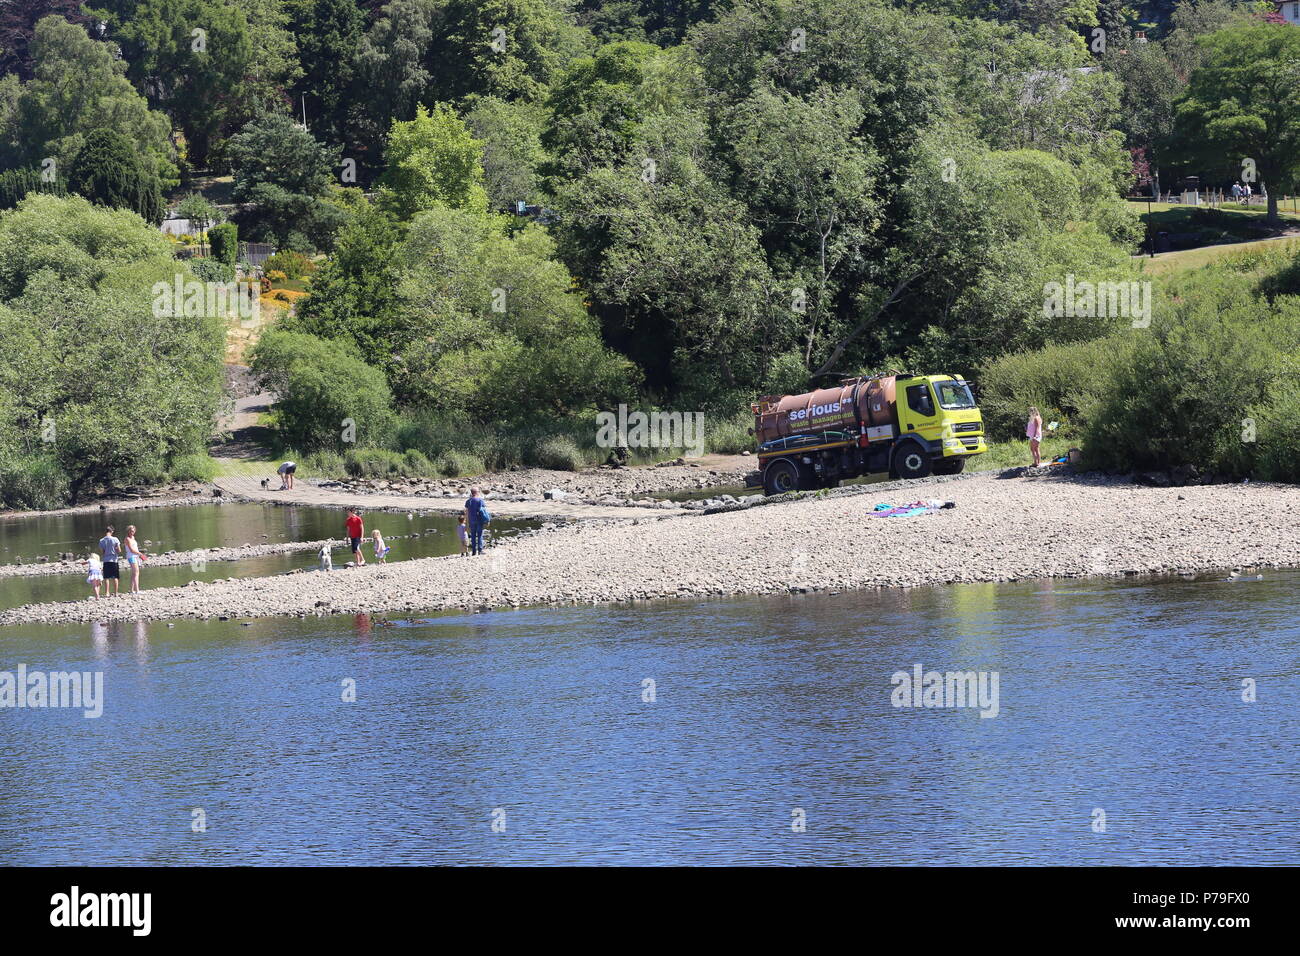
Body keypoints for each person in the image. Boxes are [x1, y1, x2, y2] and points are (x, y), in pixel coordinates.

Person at [464, 487, 491, 556]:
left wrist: (466, 522)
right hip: (479, 520)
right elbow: (484, 511)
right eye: (478, 491)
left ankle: (473, 551)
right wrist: (487, 520)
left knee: (473, 536)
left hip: (471, 521)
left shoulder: (468, 501)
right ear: (476, 492)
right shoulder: (480, 500)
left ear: (471, 493)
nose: (479, 492)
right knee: (479, 535)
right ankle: (480, 550)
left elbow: (466, 512)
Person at [98, 525, 122, 597]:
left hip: (106, 560)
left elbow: (102, 552)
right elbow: (119, 550)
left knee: (106, 577)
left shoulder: (101, 540)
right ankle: (116, 593)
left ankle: (107, 593)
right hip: (114, 560)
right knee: (115, 577)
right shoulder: (115, 539)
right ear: (112, 531)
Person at [123, 525, 147, 593]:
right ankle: (137, 590)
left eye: (133, 531)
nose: (132, 532)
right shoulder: (127, 539)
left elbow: (135, 548)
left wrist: (139, 555)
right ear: (128, 531)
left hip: (135, 556)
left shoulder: (133, 537)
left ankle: (131, 590)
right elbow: (131, 550)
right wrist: (140, 554)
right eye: (130, 531)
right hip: (131, 556)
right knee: (136, 572)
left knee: (134, 573)